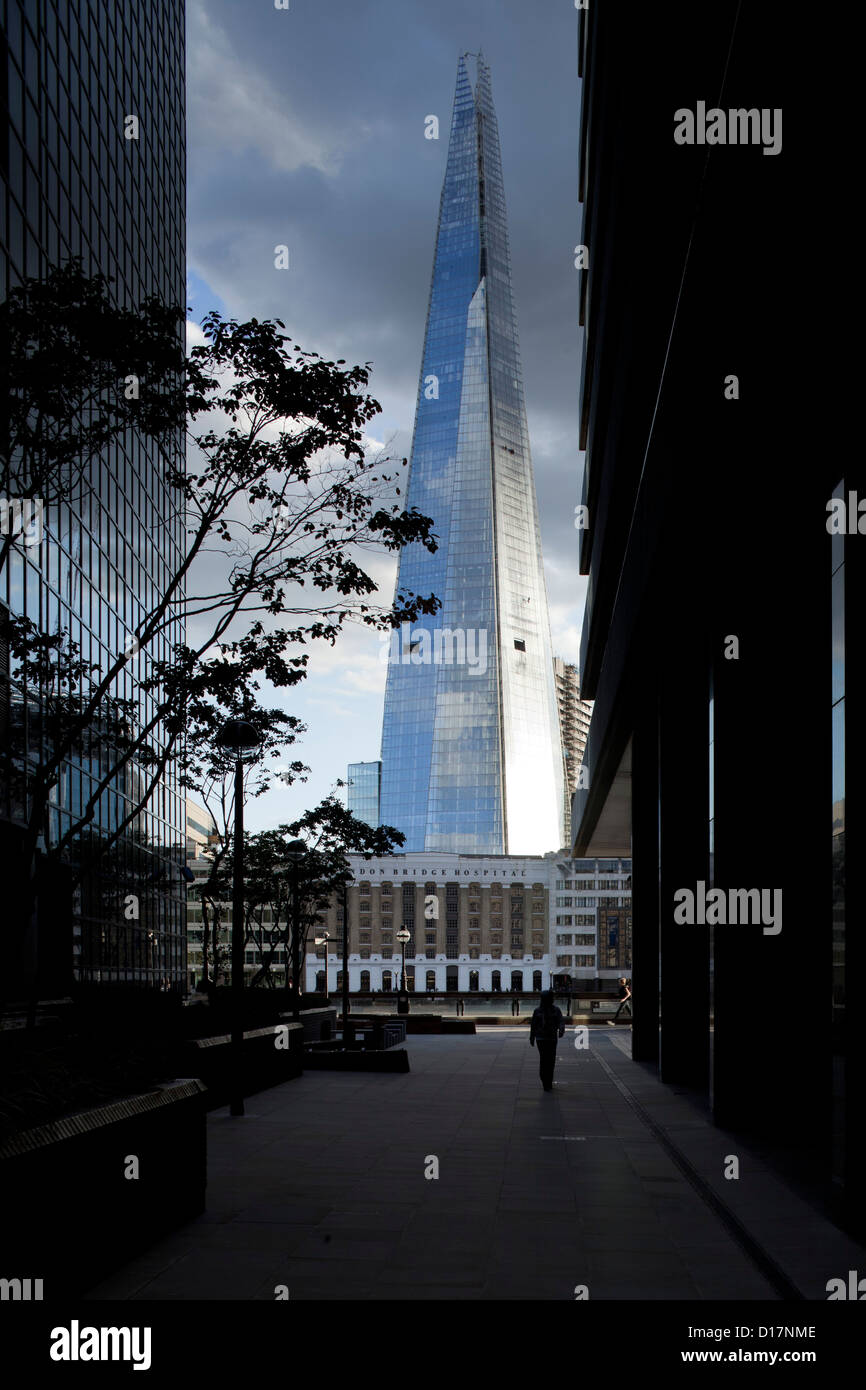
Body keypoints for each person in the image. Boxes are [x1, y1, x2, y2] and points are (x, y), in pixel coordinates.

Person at [530, 991, 566, 1091]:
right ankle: (545, 1080)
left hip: (551, 1038)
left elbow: (561, 1021)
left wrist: (561, 1029)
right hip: (542, 1039)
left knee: (550, 1060)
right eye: (552, 997)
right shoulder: (538, 1011)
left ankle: (548, 1081)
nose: (553, 999)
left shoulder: (555, 1010)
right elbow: (533, 1025)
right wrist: (532, 1037)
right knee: (545, 1059)